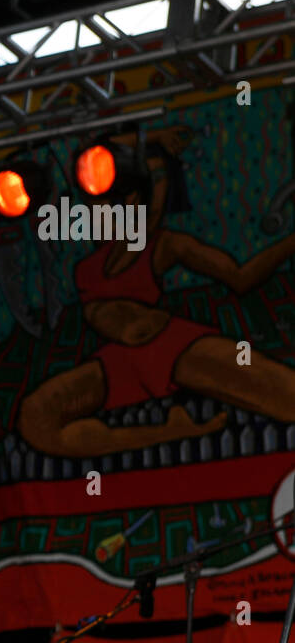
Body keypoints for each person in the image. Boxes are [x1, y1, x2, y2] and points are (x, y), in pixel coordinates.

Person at [17, 125, 295, 457]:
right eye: (93, 202)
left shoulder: (163, 244)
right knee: (35, 418)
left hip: (171, 348)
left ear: (133, 199)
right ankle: (164, 434)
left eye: (105, 201)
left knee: (286, 396)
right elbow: (90, 149)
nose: (93, 208)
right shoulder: (92, 262)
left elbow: (241, 277)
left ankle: (171, 431)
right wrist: (154, 137)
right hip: (115, 363)